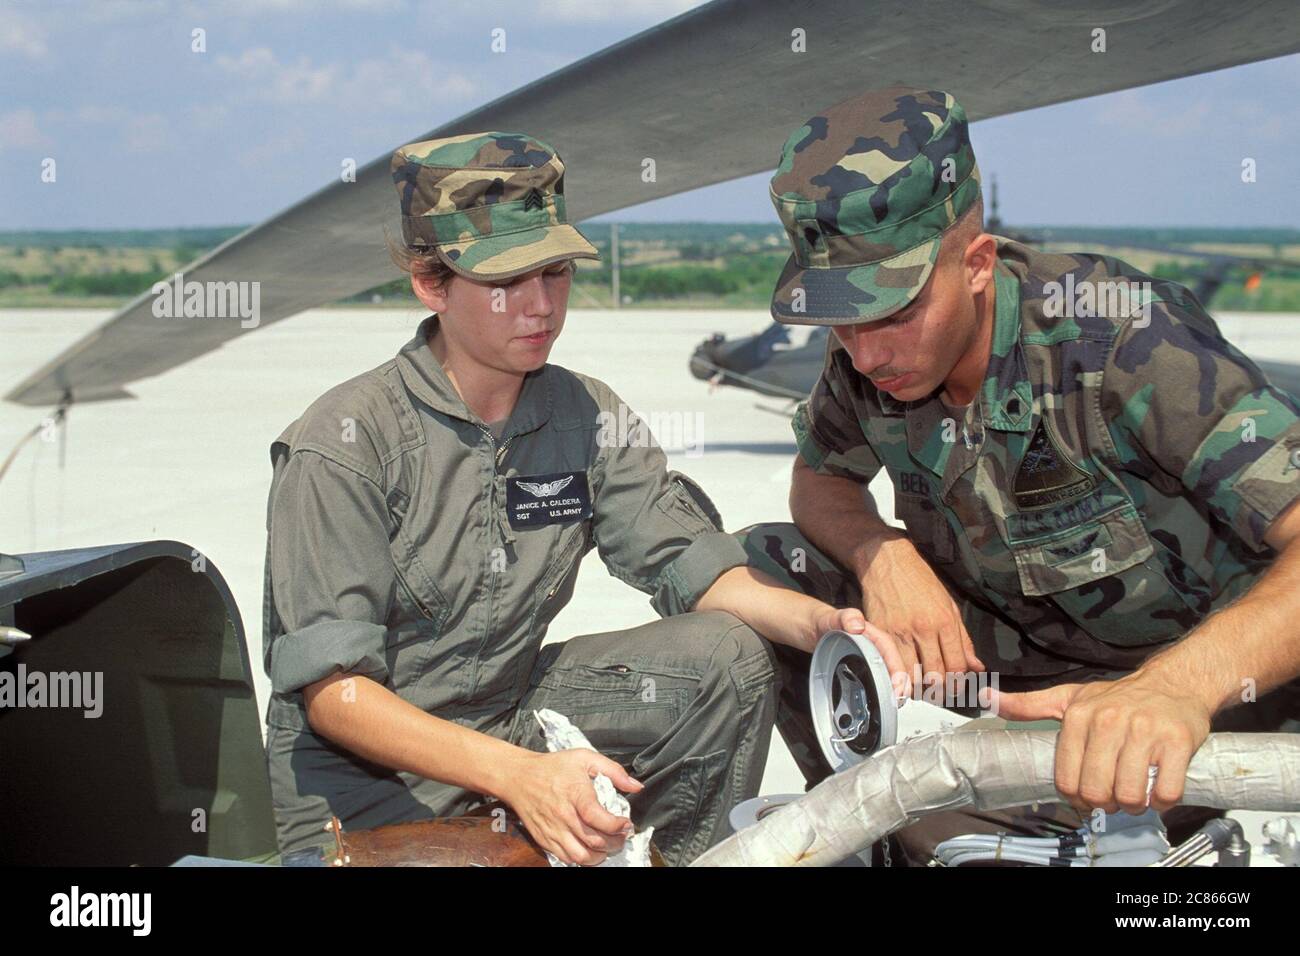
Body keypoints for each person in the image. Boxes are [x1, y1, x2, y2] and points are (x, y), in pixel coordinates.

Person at [261, 131, 866, 866]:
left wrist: (834, 624)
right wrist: (523, 779)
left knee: (728, 656)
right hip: (361, 790)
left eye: (555, 274)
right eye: (506, 282)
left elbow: (698, 568)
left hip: (503, 724)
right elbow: (336, 697)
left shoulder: (584, 417)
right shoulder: (347, 443)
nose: (541, 306)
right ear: (432, 283)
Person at [735, 87, 1300, 853]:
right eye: (841, 317)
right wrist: (883, 554)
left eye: (894, 313)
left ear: (976, 264)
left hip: (1200, 689)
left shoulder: (1118, 336)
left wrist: (1178, 688)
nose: (865, 354)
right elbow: (821, 479)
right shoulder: (867, 356)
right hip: (1012, 678)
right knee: (770, 570)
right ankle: (877, 816)